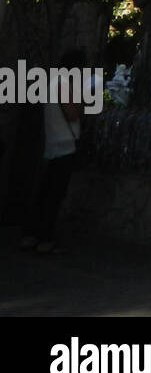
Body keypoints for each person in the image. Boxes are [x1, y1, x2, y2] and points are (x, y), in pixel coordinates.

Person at [21, 48, 89, 254]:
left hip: (53, 143)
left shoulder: (51, 84)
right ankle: (45, 238)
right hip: (65, 144)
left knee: (45, 192)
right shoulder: (65, 86)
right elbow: (72, 114)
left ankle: (32, 234)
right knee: (54, 195)